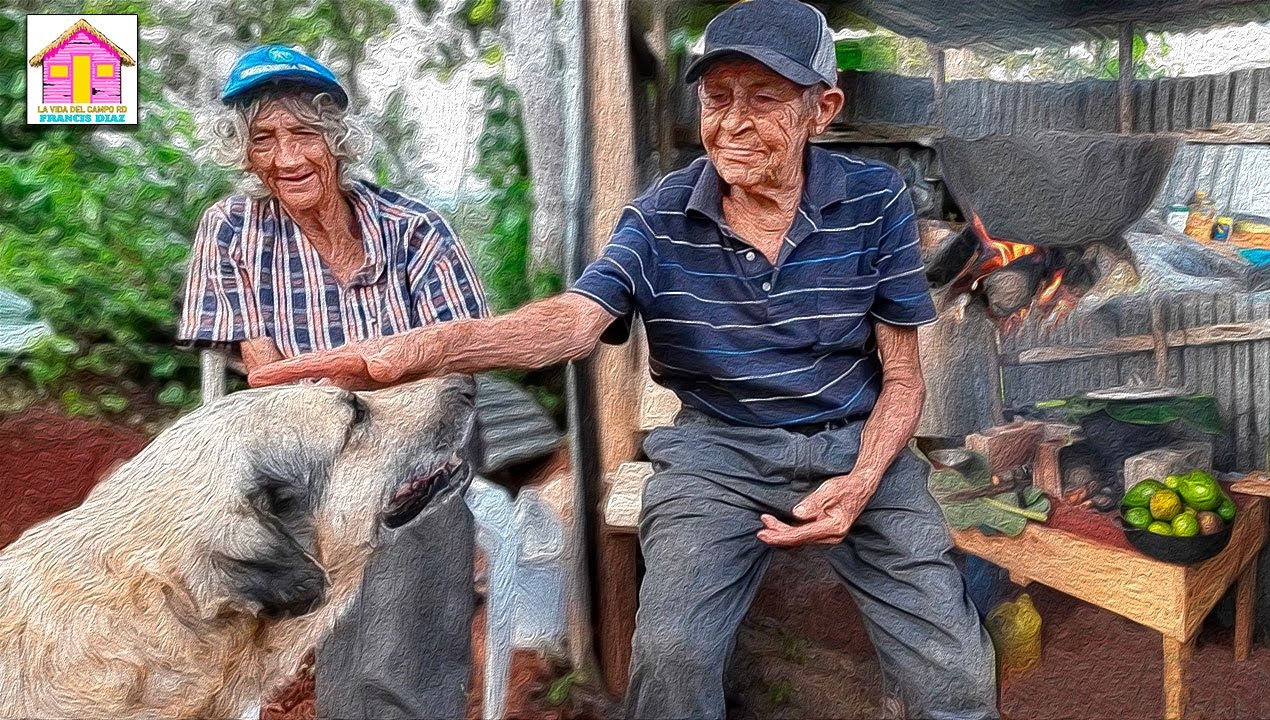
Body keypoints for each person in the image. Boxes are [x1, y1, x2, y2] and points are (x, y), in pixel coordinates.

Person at [251, 1, 999, 718]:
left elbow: (903, 377)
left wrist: (863, 480)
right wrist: (429, 347)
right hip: (717, 455)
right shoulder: (660, 215)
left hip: (858, 445)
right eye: (717, 98)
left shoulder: (874, 199)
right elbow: (574, 322)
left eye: (765, 98)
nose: (733, 122)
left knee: (954, 668)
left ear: (821, 110)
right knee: (671, 656)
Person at [177, 45, 486, 720]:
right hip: (300, 427)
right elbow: (265, 376)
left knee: (405, 494)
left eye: (303, 134)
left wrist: (377, 401)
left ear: (337, 141)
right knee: (341, 495)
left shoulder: (414, 231)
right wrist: (353, 390)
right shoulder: (231, 230)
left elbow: (458, 358)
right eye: (263, 139)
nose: (286, 158)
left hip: (415, 420)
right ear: (245, 154)